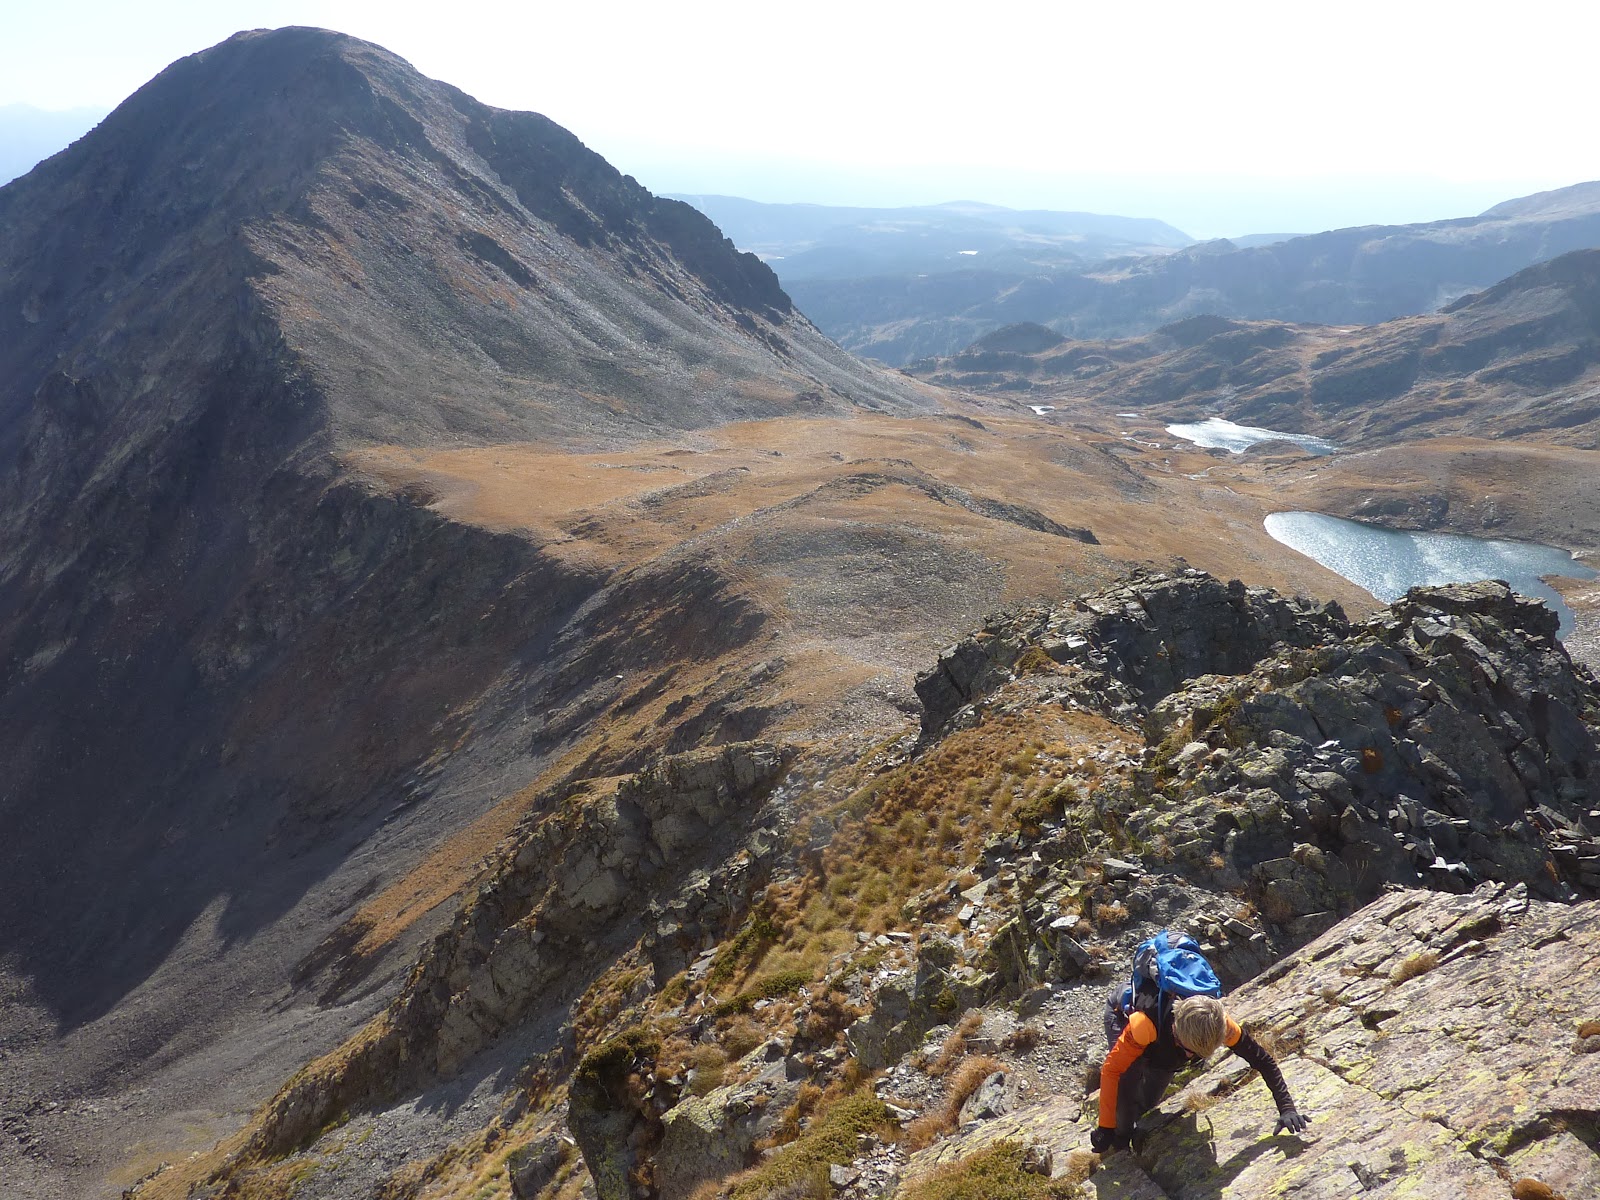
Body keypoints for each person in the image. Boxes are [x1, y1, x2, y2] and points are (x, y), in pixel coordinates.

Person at [1090, 987, 1309, 1154]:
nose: (1189, 1057)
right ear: (1176, 1032)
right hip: (1122, 1015)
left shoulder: (1220, 1025)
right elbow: (1112, 1071)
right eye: (1189, 1050)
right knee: (1128, 1084)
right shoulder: (1143, 1026)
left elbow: (1263, 1061)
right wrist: (1107, 1128)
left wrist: (1287, 1108)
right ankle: (1120, 1141)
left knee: (1148, 1102)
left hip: (1165, 1049)